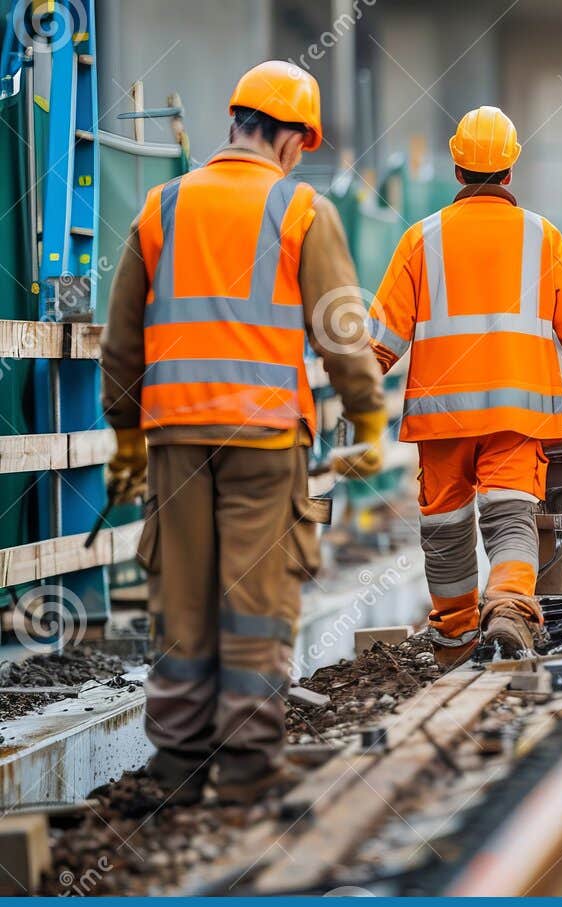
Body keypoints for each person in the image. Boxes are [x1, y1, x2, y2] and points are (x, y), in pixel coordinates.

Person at [101, 60, 387, 805]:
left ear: (235, 123)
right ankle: (249, 768)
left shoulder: (162, 208)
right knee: (255, 601)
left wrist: (126, 437)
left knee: (183, 604)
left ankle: (178, 768)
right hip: (264, 442)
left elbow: (122, 340)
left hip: (173, 440)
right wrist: (367, 414)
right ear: (292, 139)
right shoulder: (300, 210)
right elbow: (341, 329)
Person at [368, 106, 562, 668]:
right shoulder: (541, 236)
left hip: (441, 419)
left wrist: (354, 395)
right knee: (511, 517)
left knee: (446, 527)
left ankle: (455, 645)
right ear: (510, 172)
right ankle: (508, 609)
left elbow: (379, 342)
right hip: (517, 415)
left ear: (457, 170)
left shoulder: (420, 239)